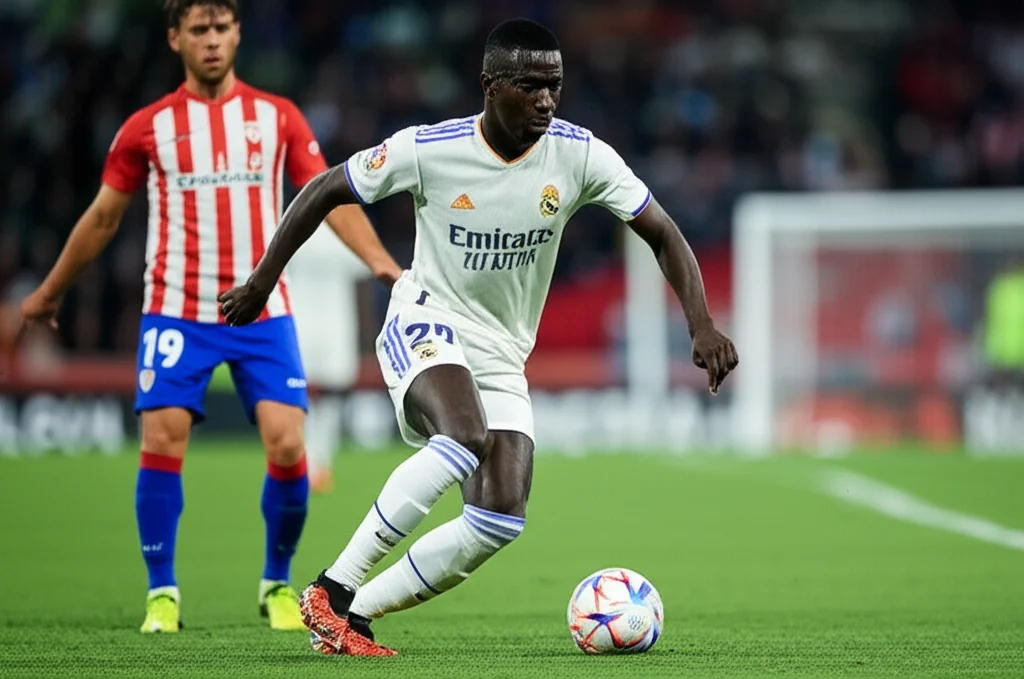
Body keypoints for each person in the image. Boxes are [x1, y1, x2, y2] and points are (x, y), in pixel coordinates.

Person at [220, 18, 738, 656]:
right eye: (531, 85)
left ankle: (352, 614)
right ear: (491, 86)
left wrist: (702, 323)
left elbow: (662, 230)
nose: (547, 99)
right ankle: (331, 587)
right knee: (464, 435)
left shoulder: (581, 155)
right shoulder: (428, 149)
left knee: (499, 517)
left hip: (501, 351)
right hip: (424, 317)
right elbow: (324, 189)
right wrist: (262, 282)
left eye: (555, 85)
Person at [19, 0, 401, 634]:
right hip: (177, 309)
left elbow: (333, 199)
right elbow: (104, 217)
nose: (213, 40)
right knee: (164, 439)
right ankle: (162, 593)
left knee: (288, 443)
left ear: (238, 33)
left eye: (222, 27)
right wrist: (52, 290)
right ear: (176, 39)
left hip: (263, 309)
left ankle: (277, 583)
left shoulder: (277, 117)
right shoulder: (148, 127)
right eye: (199, 29)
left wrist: (384, 265)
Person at [288, 224, 369, 494]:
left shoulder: (301, 222)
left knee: (329, 393)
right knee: (308, 395)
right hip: (323, 323)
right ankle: (309, 461)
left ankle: (318, 463)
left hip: (327, 323)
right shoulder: (295, 221)